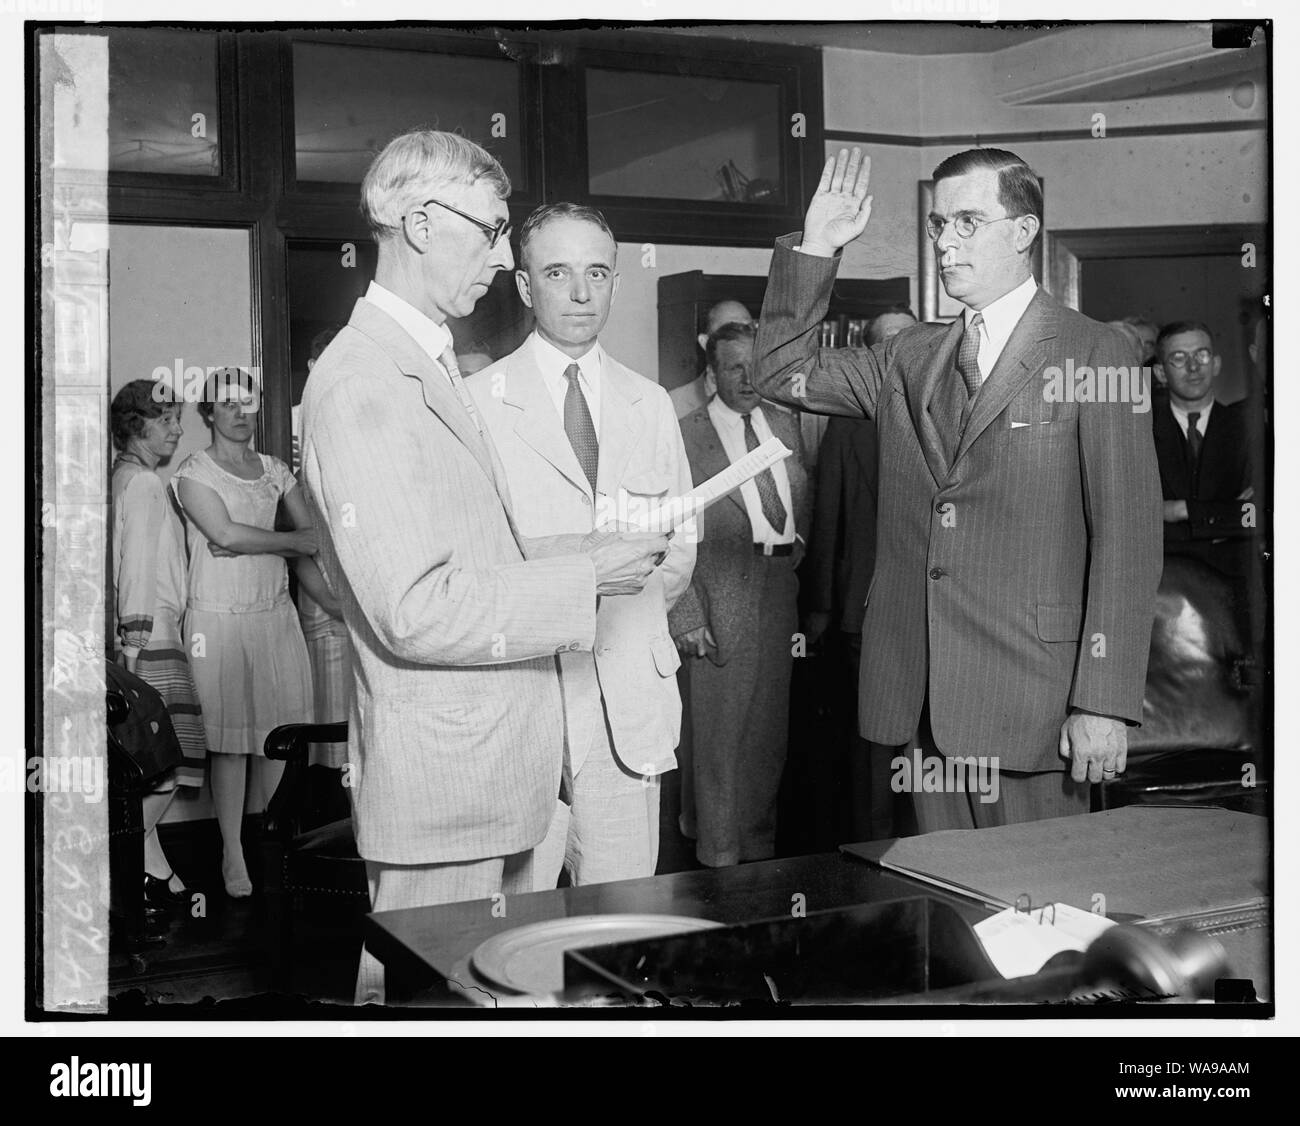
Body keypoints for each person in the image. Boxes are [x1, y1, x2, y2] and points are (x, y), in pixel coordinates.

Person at [298, 130, 668, 1004]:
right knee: (433, 1004)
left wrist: (589, 553)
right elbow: (416, 608)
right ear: (421, 222)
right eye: (493, 230)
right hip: (447, 788)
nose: (506, 260)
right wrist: (586, 582)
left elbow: (473, 554)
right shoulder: (365, 382)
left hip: (480, 777)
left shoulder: (422, 363)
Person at [754, 147, 1162, 830]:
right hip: (923, 702)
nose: (946, 242)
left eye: (968, 221)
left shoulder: (1095, 353)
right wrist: (818, 246)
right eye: (941, 224)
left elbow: (1128, 541)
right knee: (952, 916)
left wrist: (1104, 701)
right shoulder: (909, 357)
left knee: (1041, 920)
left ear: (1024, 231)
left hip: (1040, 704)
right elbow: (775, 372)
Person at [468, 202, 696, 887]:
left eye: (597, 273)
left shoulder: (648, 401)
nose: (579, 292)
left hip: (629, 692)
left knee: (622, 919)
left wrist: (629, 593)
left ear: (616, 283)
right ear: (525, 284)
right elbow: (478, 563)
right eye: (558, 272)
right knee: (514, 921)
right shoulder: (477, 401)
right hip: (522, 693)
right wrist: (579, 580)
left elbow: (680, 545)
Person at [171, 368, 321, 898]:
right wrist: (284, 540)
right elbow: (226, 533)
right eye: (228, 405)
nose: (241, 413)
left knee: (277, 739)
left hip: (274, 617)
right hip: (220, 620)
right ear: (209, 413)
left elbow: (310, 544)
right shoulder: (194, 472)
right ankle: (232, 855)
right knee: (232, 746)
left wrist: (332, 603)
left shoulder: (276, 470)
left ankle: (270, 849)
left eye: (249, 403)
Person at [668, 321, 811, 866]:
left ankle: (757, 852)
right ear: (712, 375)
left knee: (766, 736)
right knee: (718, 736)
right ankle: (717, 860)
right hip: (715, 593)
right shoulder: (684, 434)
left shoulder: (785, 425)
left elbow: (802, 496)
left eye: (758, 366)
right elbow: (666, 529)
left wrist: (793, 542)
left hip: (778, 594)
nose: (749, 379)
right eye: (735, 367)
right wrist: (684, 612)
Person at [802, 308, 915, 843]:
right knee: (872, 747)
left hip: (942, 616)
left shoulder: (953, 409)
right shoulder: (848, 423)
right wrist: (822, 607)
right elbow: (828, 519)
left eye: (910, 338)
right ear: (869, 356)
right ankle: (877, 858)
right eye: (888, 342)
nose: (901, 350)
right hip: (866, 613)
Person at [109, 380, 208, 905]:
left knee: (153, 769)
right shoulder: (144, 484)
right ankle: (121, 869)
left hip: (142, 635)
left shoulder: (123, 476)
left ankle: (158, 876)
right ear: (135, 424)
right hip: (150, 638)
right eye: (165, 418)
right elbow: (138, 569)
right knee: (166, 764)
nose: (177, 428)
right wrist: (135, 645)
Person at [1152, 321, 1261, 635]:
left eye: (1201, 355)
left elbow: (1256, 516)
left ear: (1216, 364)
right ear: (1160, 373)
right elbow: (1131, 515)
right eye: (1178, 358)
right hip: (1164, 593)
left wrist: (1178, 511)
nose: (1192, 367)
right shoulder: (1139, 434)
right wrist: (1222, 514)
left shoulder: (1250, 430)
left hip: (1236, 593)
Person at [669, 299, 754, 419]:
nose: (740, 341)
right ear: (705, 343)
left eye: (747, 330)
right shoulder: (674, 405)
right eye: (728, 334)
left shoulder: (776, 404)